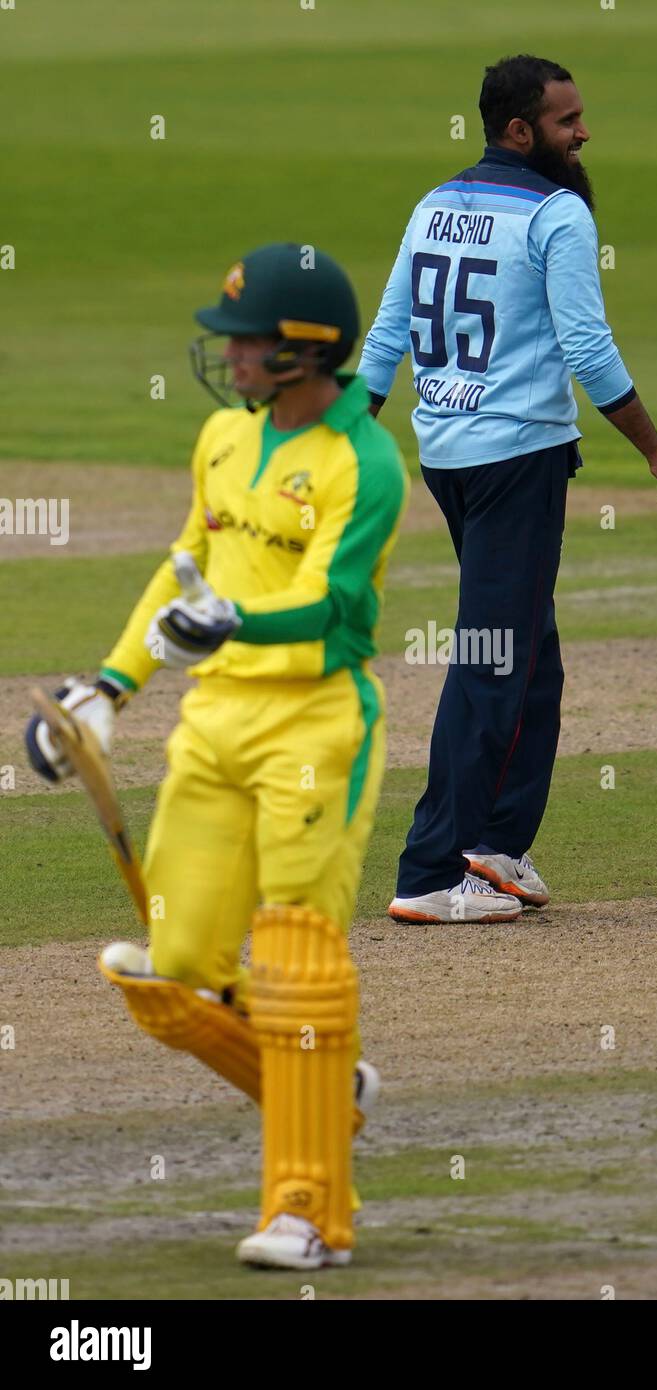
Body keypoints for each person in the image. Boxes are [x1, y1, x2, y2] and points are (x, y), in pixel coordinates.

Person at [25, 242, 409, 1270]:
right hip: (213, 724)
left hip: (315, 724)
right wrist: (105, 692)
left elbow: (333, 602)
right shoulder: (220, 439)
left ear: (302, 350)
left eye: (245, 340)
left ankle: (309, 1209)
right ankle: (327, 1084)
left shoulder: (361, 461)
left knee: (296, 968)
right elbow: (180, 572)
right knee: (170, 974)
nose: (227, 355)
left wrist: (234, 620)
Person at [358, 55, 657, 925]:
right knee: (493, 658)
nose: (584, 133)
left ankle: (497, 848)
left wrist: (355, 425)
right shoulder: (557, 212)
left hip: (448, 451)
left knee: (528, 649)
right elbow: (588, 348)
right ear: (520, 131)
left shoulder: (437, 202)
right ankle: (434, 869)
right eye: (566, 120)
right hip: (518, 458)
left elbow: (390, 326)